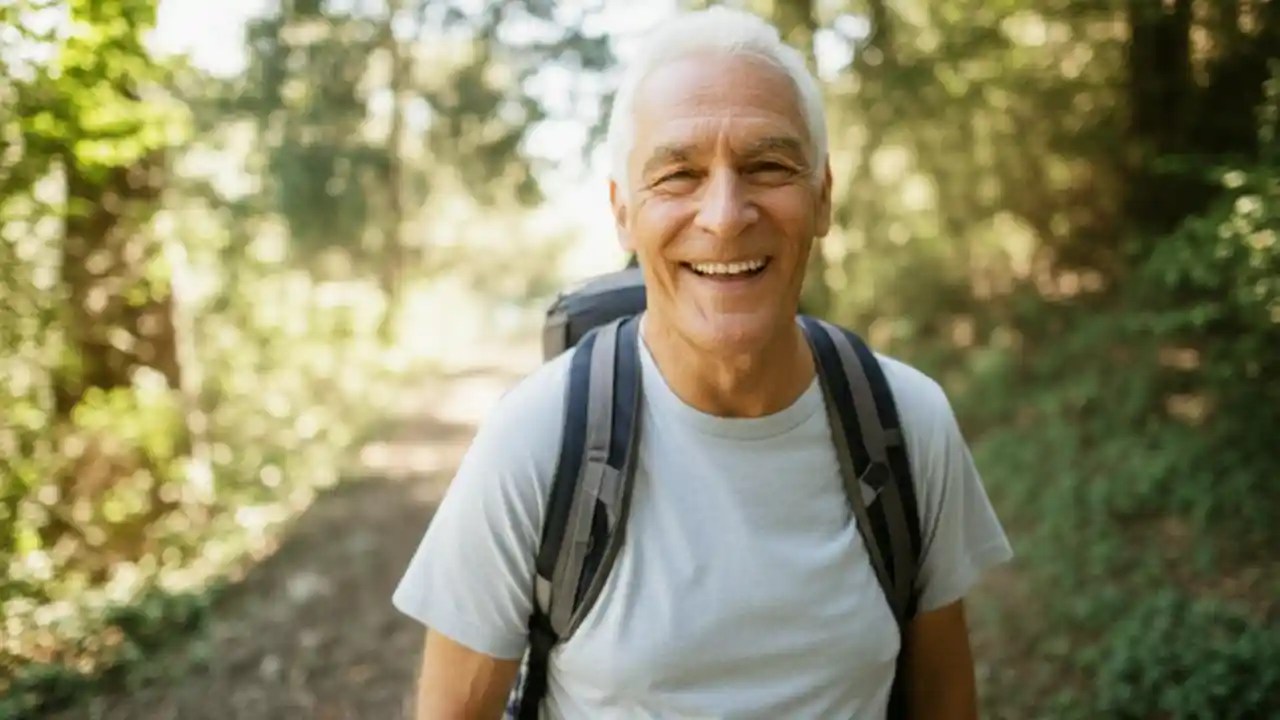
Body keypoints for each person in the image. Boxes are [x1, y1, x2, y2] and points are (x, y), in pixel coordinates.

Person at [392, 6, 1013, 719]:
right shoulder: (534, 439)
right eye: (679, 174)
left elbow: (944, 700)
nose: (724, 214)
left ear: (823, 196)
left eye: (768, 166)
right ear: (623, 213)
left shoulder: (907, 423)